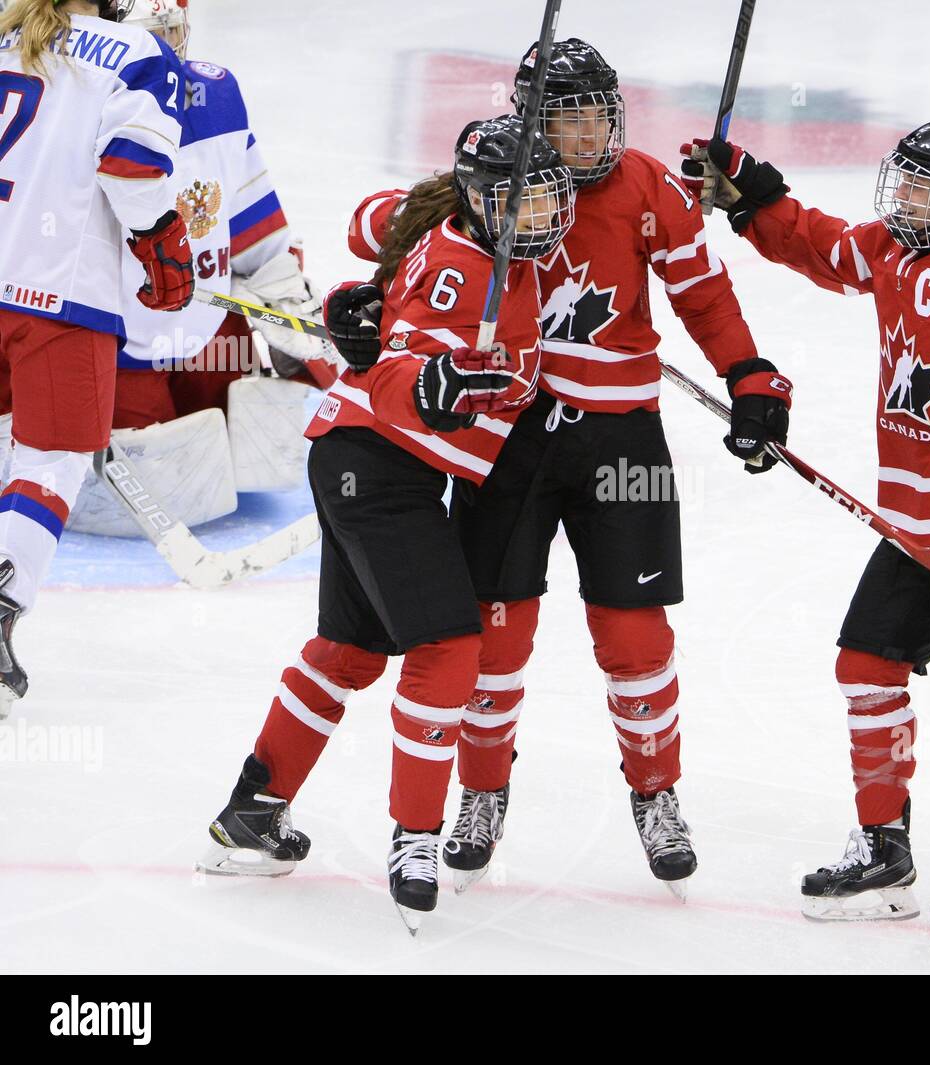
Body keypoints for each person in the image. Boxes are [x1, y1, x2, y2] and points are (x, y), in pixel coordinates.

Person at [334, 39, 791, 900]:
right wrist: (366, 300)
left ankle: (658, 797)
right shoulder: (500, 180)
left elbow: (703, 293)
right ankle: (481, 792)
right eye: (568, 116)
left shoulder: (650, 185)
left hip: (626, 443)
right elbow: (387, 234)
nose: (589, 135)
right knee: (494, 639)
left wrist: (750, 374)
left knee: (636, 636)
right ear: (530, 120)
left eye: (599, 114)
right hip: (510, 439)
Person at [682, 116, 930, 951]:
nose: (899, 198)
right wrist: (750, 191)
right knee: (866, 665)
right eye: (897, 181)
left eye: (919, 187)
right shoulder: (899, 252)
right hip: (916, 523)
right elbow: (823, 246)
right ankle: (884, 852)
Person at [199, 116, 573, 933]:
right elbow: (401, 357)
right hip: (378, 464)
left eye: (547, 199)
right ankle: (415, 837)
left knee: (352, 649)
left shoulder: (492, 246)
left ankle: (253, 811)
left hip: (358, 459)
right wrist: (427, 383)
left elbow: (372, 224)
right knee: (449, 646)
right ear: (479, 201)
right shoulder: (462, 268)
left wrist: (352, 300)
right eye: (521, 202)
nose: (541, 217)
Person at [0, 0, 193, 715]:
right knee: (50, 460)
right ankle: (0, 614)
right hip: (59, 292)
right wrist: (161, 242)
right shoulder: (135, 52)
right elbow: (133, 165)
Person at [114, 0, 335, 435]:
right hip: (113, 335)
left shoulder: (216, 94)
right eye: (150, 35)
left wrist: (277, 284)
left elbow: (246, 203)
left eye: (171, 31)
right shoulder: (83, 106)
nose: (165, 49)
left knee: (242, 455)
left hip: (208, 318)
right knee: (148, 478)